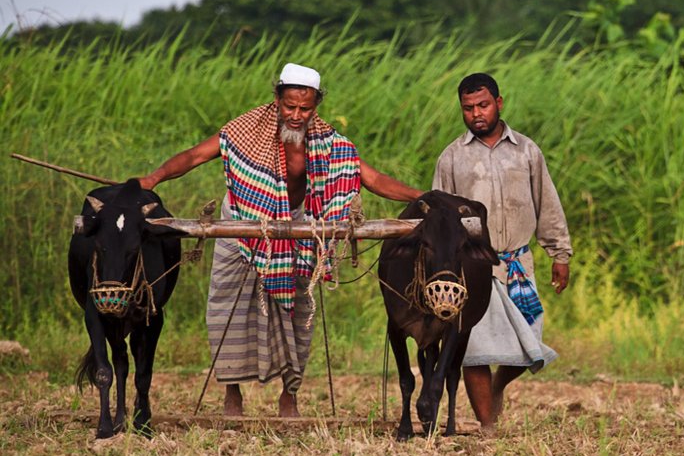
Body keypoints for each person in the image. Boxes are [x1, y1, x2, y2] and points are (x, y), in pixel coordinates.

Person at [138, 63, 422, 417]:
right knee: (228, 305)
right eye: (290, 106)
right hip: (240, 222)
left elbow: (374, 179)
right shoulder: (244, 130)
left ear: (316, 105)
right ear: (277, 98)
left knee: (298, 311)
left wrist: (423, 197)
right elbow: (195, 155)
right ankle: (232, 392)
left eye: (305, 108)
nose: (296, 115)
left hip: (300, 225)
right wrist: (154, 178)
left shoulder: (331, 143)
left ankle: (290, 394)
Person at [432, 72, 572, 428]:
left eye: (483, 105)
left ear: (499, 103)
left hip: (518, 262)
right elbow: (439, 218)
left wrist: (559, 253)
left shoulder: (526, 151)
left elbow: (547, 203)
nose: (476, 113)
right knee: (475, 349)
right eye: (468, 108)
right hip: (471, 265)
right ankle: (487, 427)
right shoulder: (451, 158)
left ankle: (499, 385)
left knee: (529, 346)